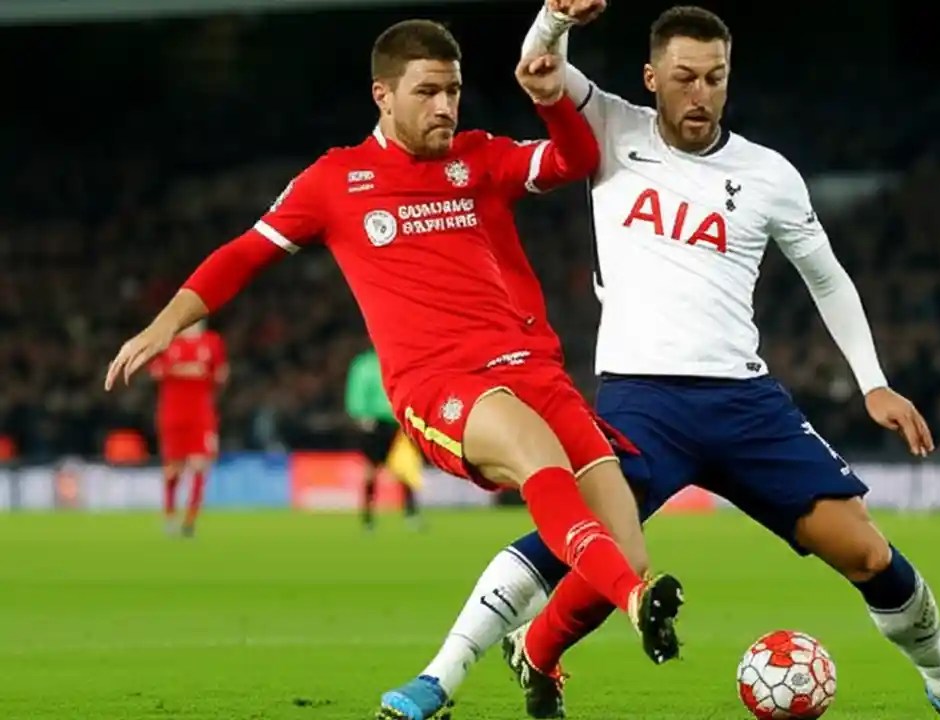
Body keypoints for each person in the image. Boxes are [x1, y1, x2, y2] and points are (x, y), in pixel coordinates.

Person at [390, 4, 940, 720]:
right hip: (642, 401)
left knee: (867, 554)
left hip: (745, 405)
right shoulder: (611, 125)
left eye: (715, 78)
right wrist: (552, 21)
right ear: (652, 77)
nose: (700, 93)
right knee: (580, 542)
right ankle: (442, 676)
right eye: (685, 77)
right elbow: (538, 72)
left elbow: (827, 276)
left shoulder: (768, 174)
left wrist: (873, 383)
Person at [102, 20, 683, 720]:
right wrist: (166, 324)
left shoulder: (477, 159)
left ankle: (531, 653)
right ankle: (632, 601)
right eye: (428, 92)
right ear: (383, 95)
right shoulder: (335, 180)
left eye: (455, 91)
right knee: (538, 459)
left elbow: (574, 158)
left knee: (626, 544)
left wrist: (553, 91)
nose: (446, 107)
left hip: (533, 371)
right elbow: (243, 255)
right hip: (441, 386)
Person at [147, 319, 226, 537]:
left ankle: (190, 521)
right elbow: (155, 370)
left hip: (201, 414)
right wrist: (185, 370)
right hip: (172, 414)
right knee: (173, 467)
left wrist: (198, 373)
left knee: (200, 464)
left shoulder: (212, 342)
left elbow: (221, 374)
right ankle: (170, 515)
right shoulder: (168, 341)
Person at [347, 346, 421, 531]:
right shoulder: (365, 364)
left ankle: (410, 514)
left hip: (397, 422)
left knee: (405, 468)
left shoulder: (396, 359)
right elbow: (356, 391)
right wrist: (360, 414)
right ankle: (368, 517)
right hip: (374, 423)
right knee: (371, 470)